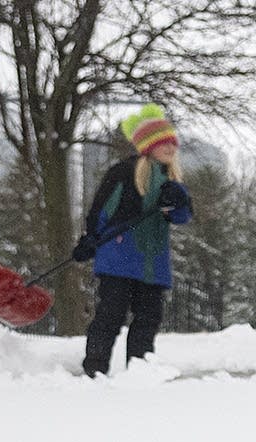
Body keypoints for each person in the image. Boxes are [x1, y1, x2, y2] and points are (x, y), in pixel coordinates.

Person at [75, 103, 192, 377]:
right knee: (110, 316)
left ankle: (140, 372)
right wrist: (91, 239)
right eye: (163, 143)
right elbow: (101, 210)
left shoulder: (172, 180)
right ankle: (95, 370)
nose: (170, 148)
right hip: (118, 258)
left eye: (172, 144)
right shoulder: (124, 173)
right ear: (148, 145)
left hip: (153, 263)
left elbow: (182, 217)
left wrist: (177, 201)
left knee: (148, 320)